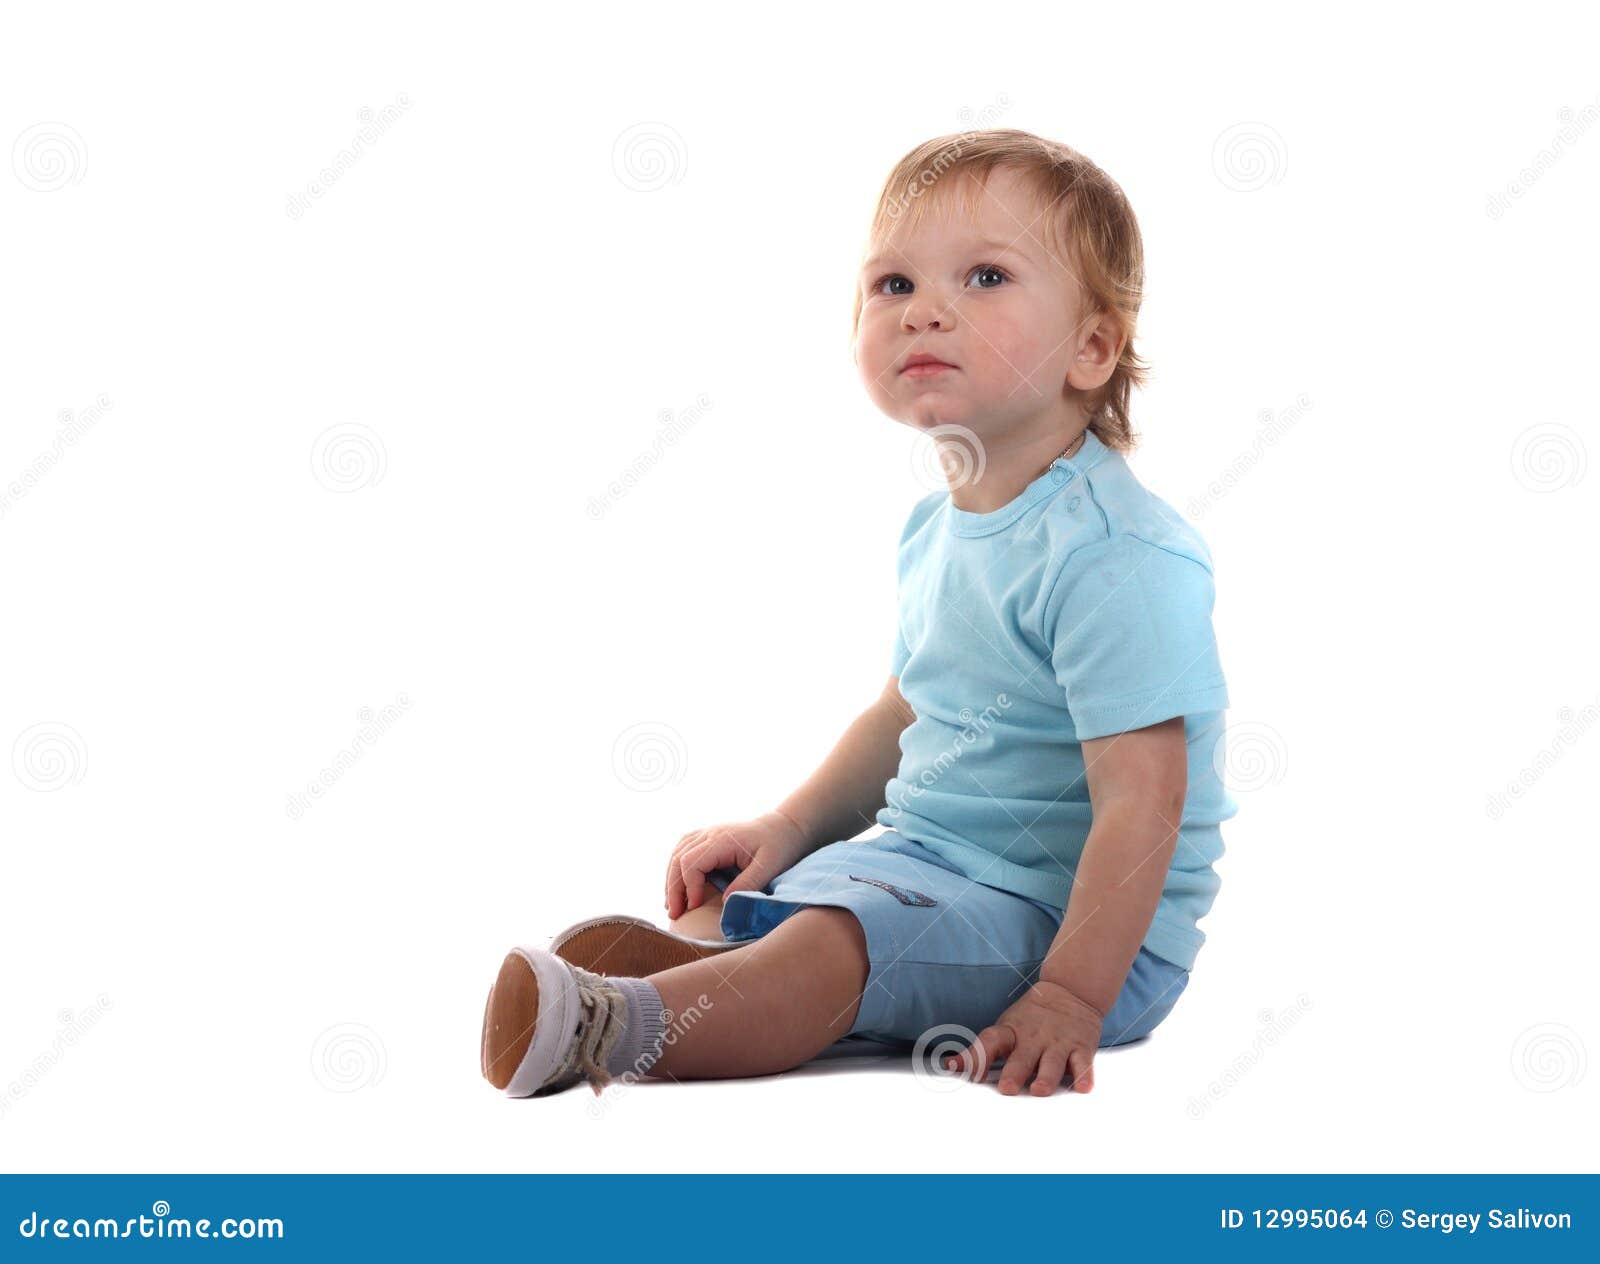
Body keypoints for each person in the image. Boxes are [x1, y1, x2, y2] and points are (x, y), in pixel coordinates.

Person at [480, 128, 1237, 1099]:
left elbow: (1146, 803)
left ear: (1091, 346)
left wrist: (1069, 998)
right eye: (893, 286)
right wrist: (784, 828)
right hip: (927, 862)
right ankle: (683, 964)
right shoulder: (940, 525)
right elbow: (905, 715)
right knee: (761, 901)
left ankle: (614, 1024)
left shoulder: (1114, 554)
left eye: (985, 278)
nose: (925, 312)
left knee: (841, 939)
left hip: (1073, 926)